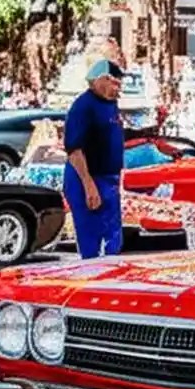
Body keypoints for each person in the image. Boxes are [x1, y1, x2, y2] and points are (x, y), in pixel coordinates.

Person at [64, 59, 125, 259]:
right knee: (91, 243)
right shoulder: (83, 106)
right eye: (115, 84)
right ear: (101, 80)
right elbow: (74, 150)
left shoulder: (111, 104)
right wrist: (89, 185)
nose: (118, 89)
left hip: (109, 180)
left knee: (113, 242)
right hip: (88, 179)